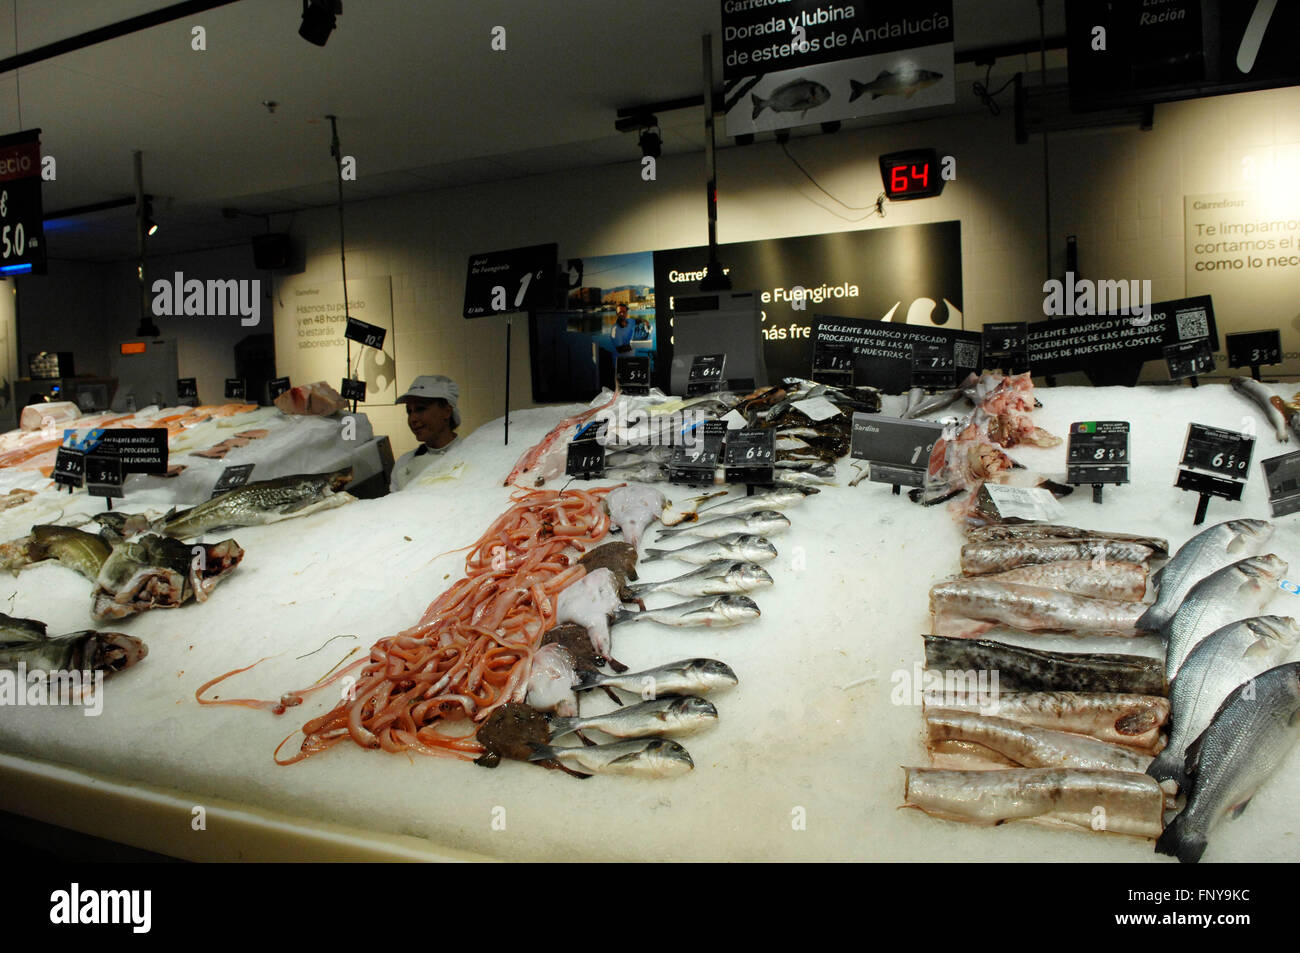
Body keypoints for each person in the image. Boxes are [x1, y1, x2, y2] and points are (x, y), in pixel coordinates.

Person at [389, 375, 461, 492]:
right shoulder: (403, 464)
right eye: (409, 411)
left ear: (447, 412)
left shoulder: (468, 454)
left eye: (420, 409)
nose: (412, 419)